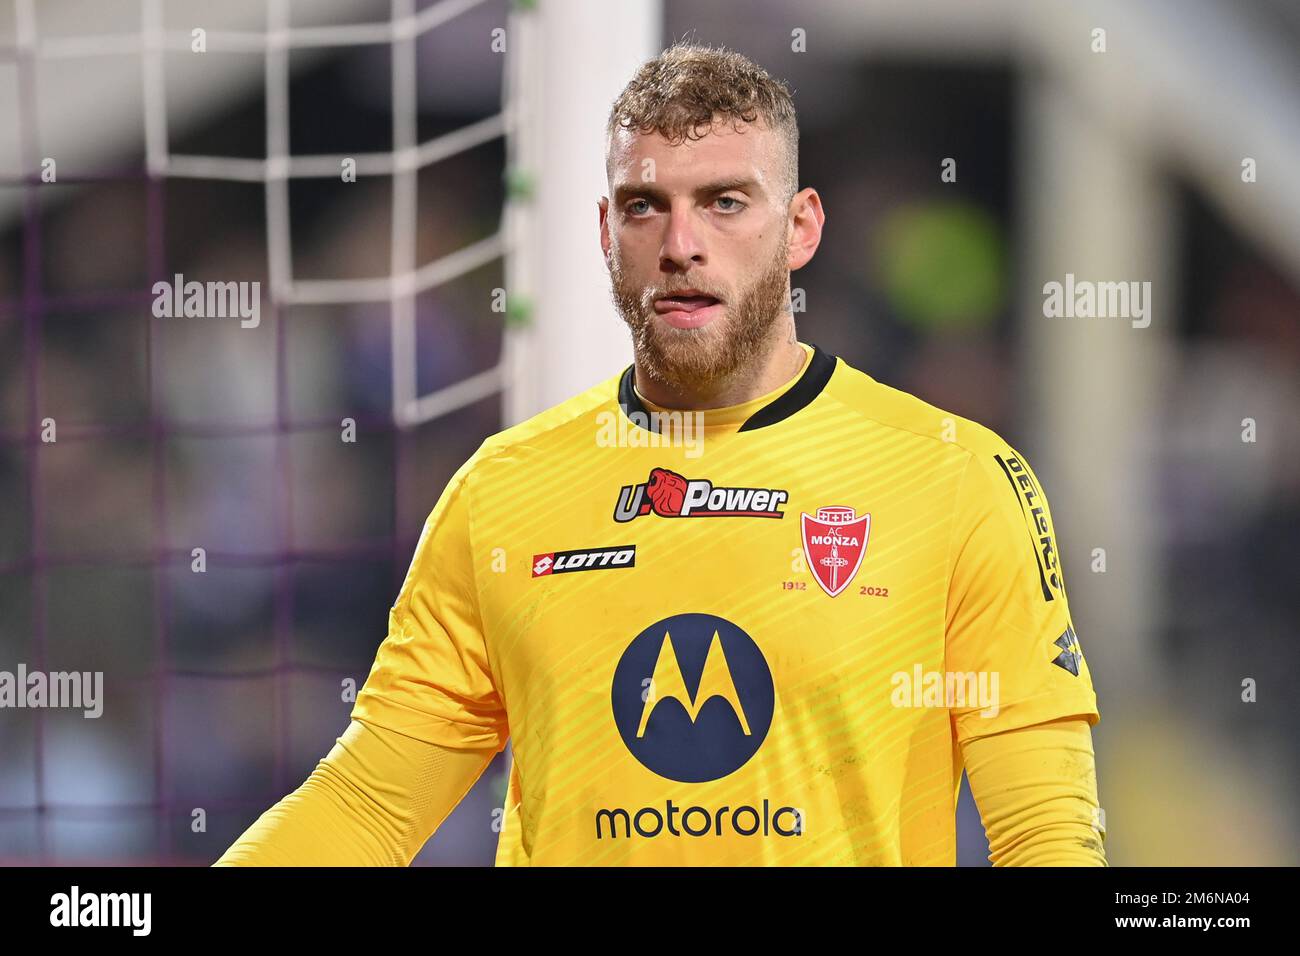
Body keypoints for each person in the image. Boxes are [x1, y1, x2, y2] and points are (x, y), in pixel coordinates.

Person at [216, 41, 1104, 867]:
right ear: (606, 231)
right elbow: (368, 804)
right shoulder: (502, 492)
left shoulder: (954, 479)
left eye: (725, 202)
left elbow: (1043, 831)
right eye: (648, 206)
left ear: (801, 228)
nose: (683, 246)